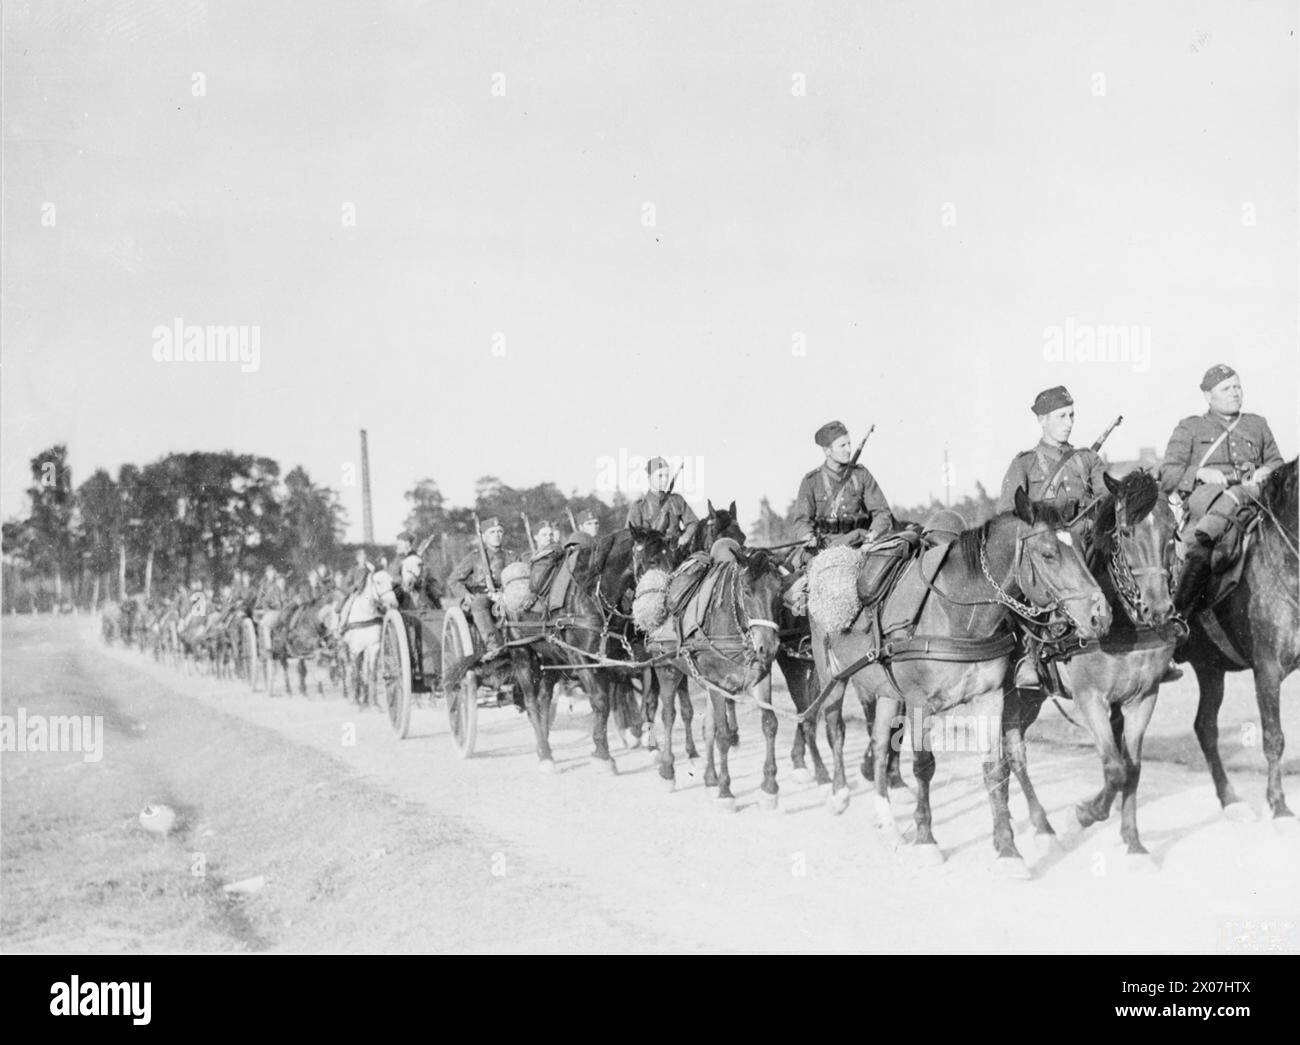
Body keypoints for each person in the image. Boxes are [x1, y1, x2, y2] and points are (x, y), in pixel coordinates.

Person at [1160, 364, 1283, 618]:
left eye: (1237, 387)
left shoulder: (1256, 424)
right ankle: (1180, 614)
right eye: (1226, 389)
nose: (1234, 393)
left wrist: (1268, 471)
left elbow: (1276, 463)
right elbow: (1169, 473)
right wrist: (1200, 473)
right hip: (1206, 501)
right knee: (1203, 543)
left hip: (1253, 496)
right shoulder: (1190, 428)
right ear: (1208, 396)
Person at [997, 386, 1107, 517]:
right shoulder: (1023, 464)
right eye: (1062, 416)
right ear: (1042, 420)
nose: (1069, 423)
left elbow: (1108, 503)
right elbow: (1007, 518)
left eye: (1071, 415)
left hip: (1087, 536)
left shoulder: (1089, 459)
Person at [792, 420, 892, 555]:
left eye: (849, 444)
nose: (849, 450)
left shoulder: (861, 474)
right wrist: (807, 536)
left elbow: (882, 512)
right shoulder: (811, 481)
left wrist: (872, 536)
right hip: (826, 547)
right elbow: (801, 521)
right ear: (828, 451)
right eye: (842, 446)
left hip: (861, 542)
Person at [447, 516, 509, 659]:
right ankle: (493, 645)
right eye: (492, 532)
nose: (497, 535)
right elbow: (453, 580)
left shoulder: (511, 556)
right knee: (479, 603)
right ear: (484, 536)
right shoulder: (475, 557)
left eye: (499, 531)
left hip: (506, 596)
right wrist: (465, 595)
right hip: (483, 596)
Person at [626, 457, 699, 547]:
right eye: (660, 476)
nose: (664, 480)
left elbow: (693, 522)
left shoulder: (676, 500)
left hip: (675, 552)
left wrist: (685, 537)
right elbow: (630, 536)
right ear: (649, 477)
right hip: (652, 556)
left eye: (667, 476)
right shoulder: (639, 507)